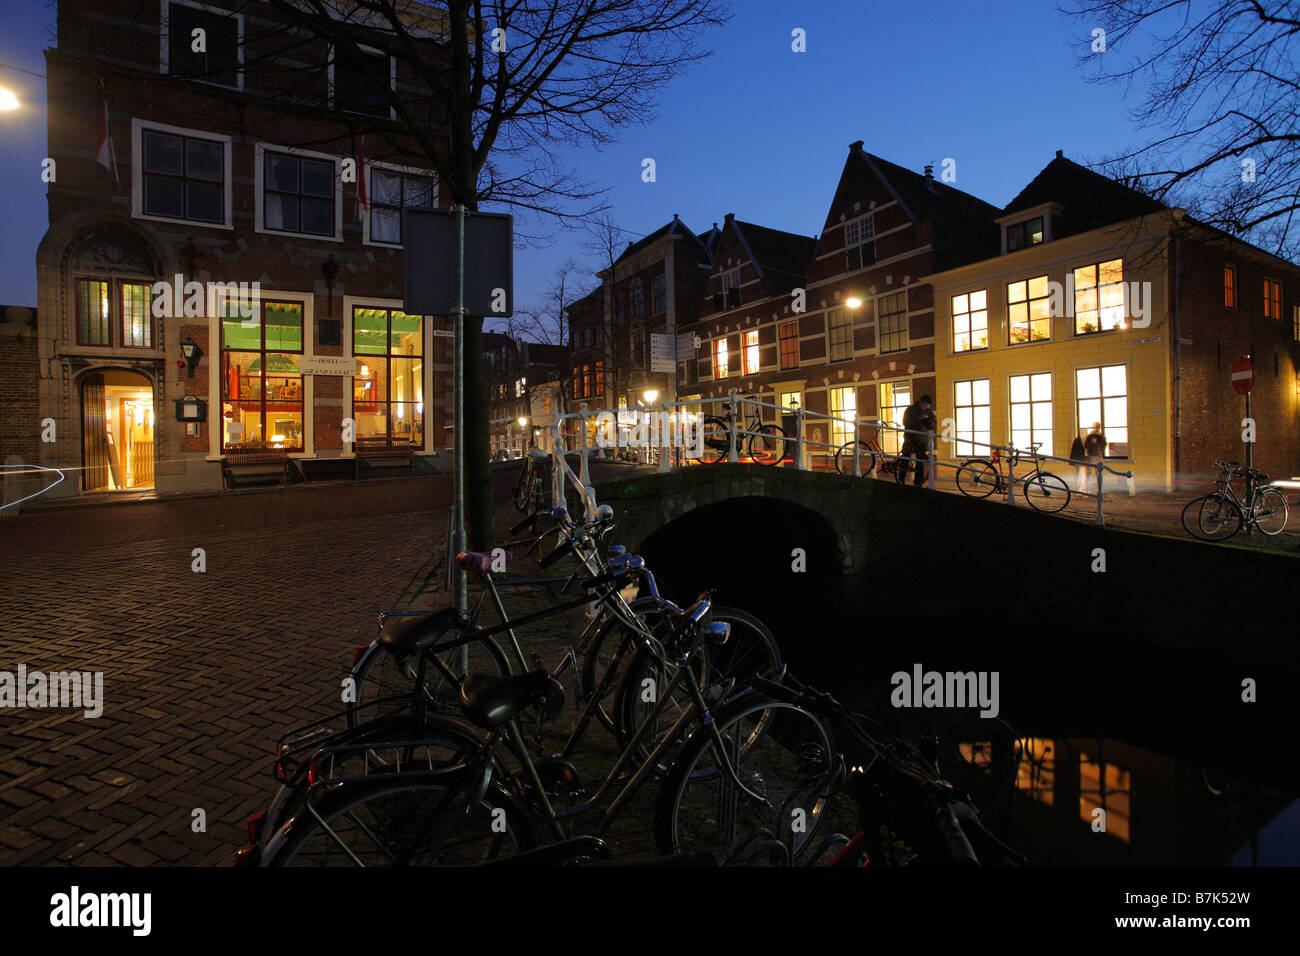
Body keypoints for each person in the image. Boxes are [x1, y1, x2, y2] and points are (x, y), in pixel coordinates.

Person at [900, 394, 938, 487]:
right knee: (905, 459)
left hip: (922, 440)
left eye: (927, 406)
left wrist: (929, 424)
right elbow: (905, 422)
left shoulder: (929, 412)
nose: (925, 407)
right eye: (924, 405)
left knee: (920, 462)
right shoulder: (911, 410)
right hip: (910, 438)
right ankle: (901, 480)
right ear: (921, 402)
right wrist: (918, 419)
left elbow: (933, 425)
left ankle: (918, 483)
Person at [1080, 422, 1107, 494]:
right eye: (1096, 426)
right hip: (1091, 456)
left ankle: (1099, 490)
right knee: (1089, 473)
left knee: (1099, 474)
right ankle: (1087, 489)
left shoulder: (1101, 436)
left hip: (1099, 457)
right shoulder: (1090, 436)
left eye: (1099, 426)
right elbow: (1086, 446)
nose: (1098, 428)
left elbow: (1104, 445)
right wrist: (1092, 442)